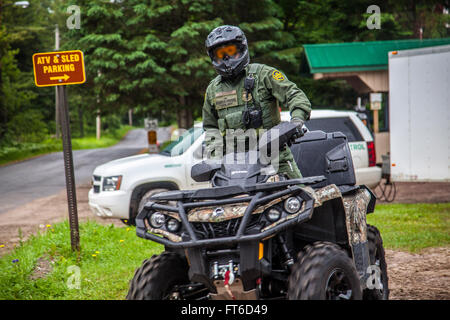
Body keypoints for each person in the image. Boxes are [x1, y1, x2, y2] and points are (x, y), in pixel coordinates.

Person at [202, 25, 311, 179]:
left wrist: (297, 121)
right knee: (226, 203)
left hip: (274, 158)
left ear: (242, 48)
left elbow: (295, 95)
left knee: (301, 196)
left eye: (231, 51)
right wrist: (215, 160)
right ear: (213, 57)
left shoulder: (264, 74)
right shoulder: (213, 89)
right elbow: (210, 127)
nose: (226, 57)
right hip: (234, 167)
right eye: (220, 53)